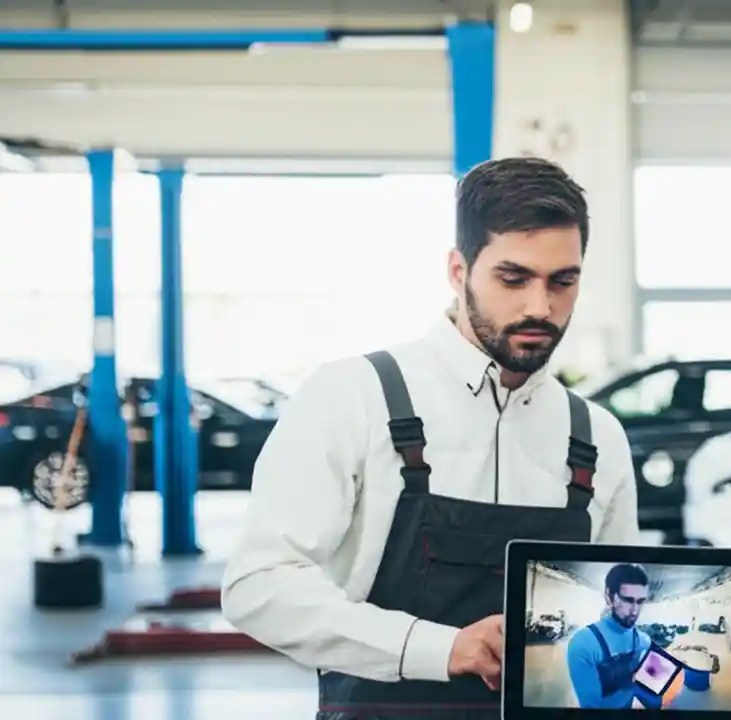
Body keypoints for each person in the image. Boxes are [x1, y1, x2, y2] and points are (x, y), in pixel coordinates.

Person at [221, 157, 640, 720]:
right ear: (458, 270)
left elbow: (618, 605)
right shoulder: (354, 397)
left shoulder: (597, 438)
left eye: (562, 282)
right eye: (513, 278)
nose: (540, 307)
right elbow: (259, 585)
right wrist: (441, 648)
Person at [565, 563, 655, 708]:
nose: (635, 611)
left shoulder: (644, 641)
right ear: (609, 596)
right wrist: (633, 684)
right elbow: (591, 707)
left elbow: (654, 693)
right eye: (628, 600)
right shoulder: (583, 644)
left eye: (640, 601)